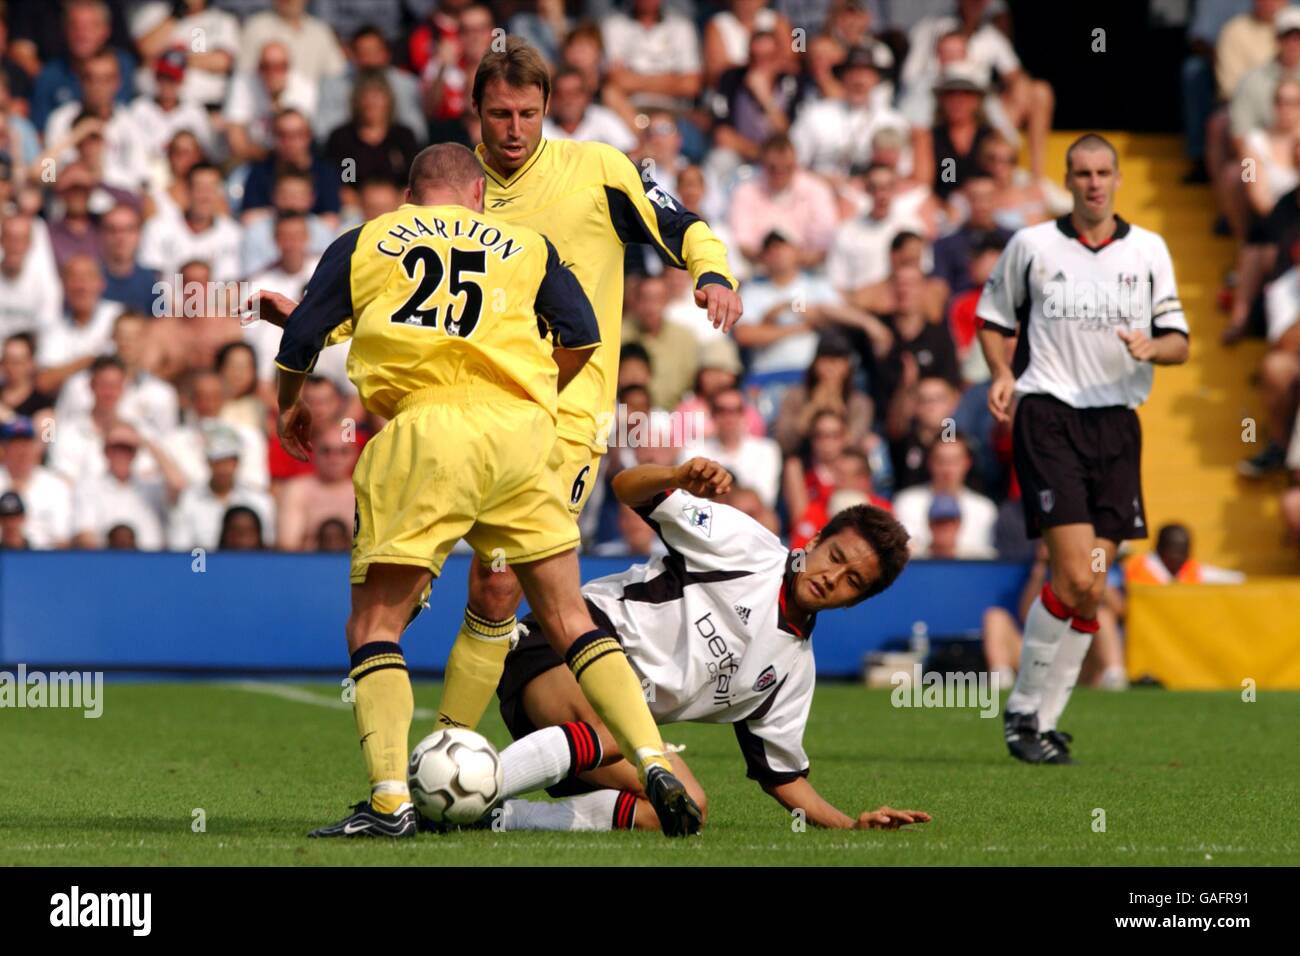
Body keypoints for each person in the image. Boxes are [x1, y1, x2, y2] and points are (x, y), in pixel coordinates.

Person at [255, 141, 705, 838]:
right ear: (476, 196)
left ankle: (388, 802)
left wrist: (290, 404)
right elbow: (582, 337)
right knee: (567, 619)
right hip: (524, 436)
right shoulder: (526, 244)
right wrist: (525, 389)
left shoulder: (367, 239)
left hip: (425, 432)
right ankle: (653, 761)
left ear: (411, 196)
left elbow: (300, 342)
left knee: (376, 625)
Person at [431, 38, 741, 753]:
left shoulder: (597, 168)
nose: (514, 130)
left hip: (566, 419)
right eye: (500, 114)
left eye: (528, 114)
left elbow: (680, 221)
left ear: (547, 111)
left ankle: (449, 751)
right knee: (436, 586)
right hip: (465, 413)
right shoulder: (452, 188)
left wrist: (712, 273)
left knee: (500, 585)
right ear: (474, 109)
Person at [487, 457, 930, 833]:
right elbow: (626, 487)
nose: (831, 578)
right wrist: (675, 477)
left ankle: (502, 816)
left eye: (851, 582)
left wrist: (850, 825)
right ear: (813, 542)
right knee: (618, 727)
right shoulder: (746, 546)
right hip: (562, 648)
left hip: (611, 734)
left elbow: (783, 777)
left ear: (855, 601)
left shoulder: (792, 670)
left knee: (685, 807)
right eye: (834, 557)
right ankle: (468, 787)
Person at [975, 133, 1190, 764]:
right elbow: (994, 321)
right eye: (1082, 172)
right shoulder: (1032, 244)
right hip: (1049, 417)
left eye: (1103, 172)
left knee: (1092, 587)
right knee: (1071, 573)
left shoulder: (1149, 249)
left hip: (1118, 424)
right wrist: (1000, 372)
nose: (1094, 182)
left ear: (1119, 178)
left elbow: (1179, 339)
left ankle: (1042, 720)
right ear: (1067, 180)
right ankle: (1022, 715)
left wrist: (1153, 348)